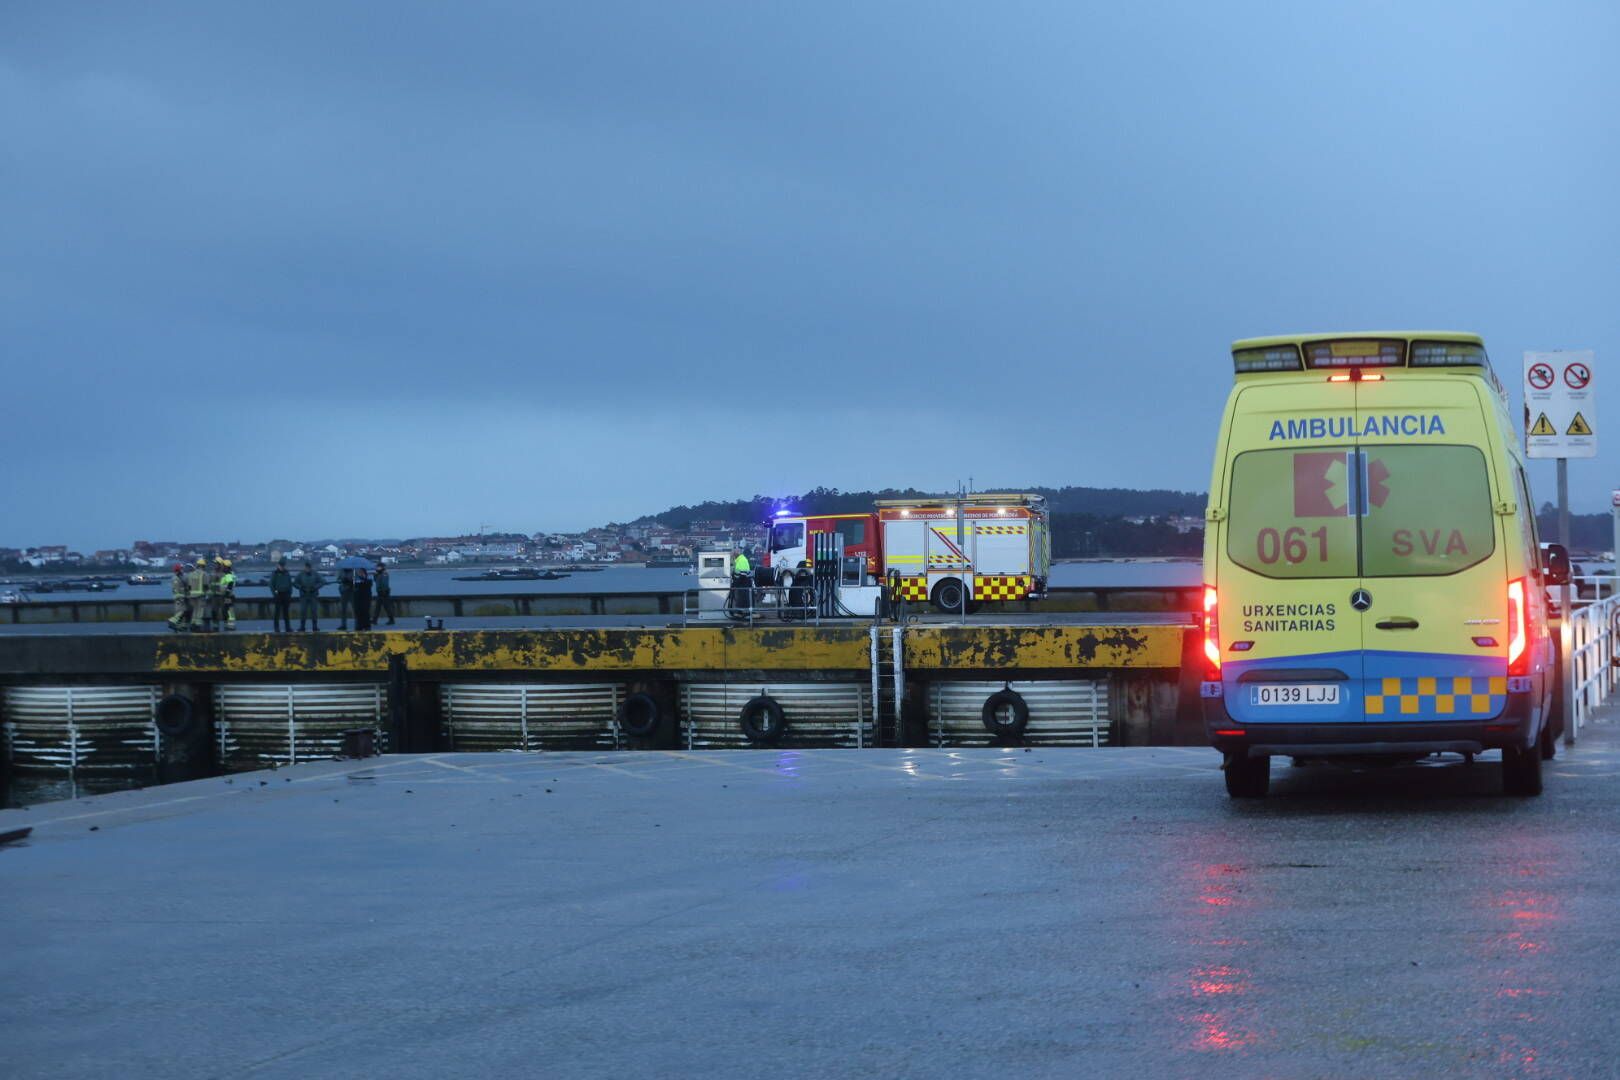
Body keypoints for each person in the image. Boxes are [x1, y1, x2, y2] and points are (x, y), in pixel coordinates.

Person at [296, 560, 323, 631]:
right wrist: (301, 587)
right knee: (303, 611)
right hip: (303, 596)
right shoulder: (300, 574)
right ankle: (302, 626)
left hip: (313, 595)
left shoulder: (315, 574)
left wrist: (315, 587)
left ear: (310, 567)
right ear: (304, 567)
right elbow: (295, 583)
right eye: (306, 567)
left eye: (308, 567)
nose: (307, 569)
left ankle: (315, 626)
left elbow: (322, 581)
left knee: (314, 611)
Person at [186, 558, 211, 632]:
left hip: (192, 595)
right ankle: (198, 626)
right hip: (200, 595)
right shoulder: (204, 574)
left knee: (195, 610)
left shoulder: (191, 574)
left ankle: (193, 624)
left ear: (197, 565)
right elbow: (206, 585)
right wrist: (207, 594)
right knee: (200, 611)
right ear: (203, 566)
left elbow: (189, 586)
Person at [269, 557, 293, 633]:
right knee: (277, 612)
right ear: (278, 565)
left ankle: (287, 627)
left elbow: (290, 584)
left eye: (283, 565)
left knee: (286, 612)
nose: (282, 567)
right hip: (278, 595)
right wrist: (274, 594)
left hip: (286, 594)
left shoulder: (287, 573)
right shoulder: (275, 573)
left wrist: (289, 593)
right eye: (281, 565)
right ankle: (276, 628)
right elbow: (271, 584)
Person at [167, 563, 191, 632]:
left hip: (181, 598)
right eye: (181, 569)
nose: (182, 570)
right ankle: (172, 621)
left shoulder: (180, 577)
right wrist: (181, 599)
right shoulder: (175, 579)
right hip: (179, 599)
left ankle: (179, 627)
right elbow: (177, 591)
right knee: (181, 611)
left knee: (182, 612)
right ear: (178, 570)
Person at [217, 558, 237, 631]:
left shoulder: (228, 574)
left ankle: (230, 625)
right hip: (228, 595)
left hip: (227, 595)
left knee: (228, 610)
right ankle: (229, 624)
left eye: (223, 566)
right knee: (228, 609)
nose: (222, 567)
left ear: (225, 566)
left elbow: (230, 583)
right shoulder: (230, 573)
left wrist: (227, 593)